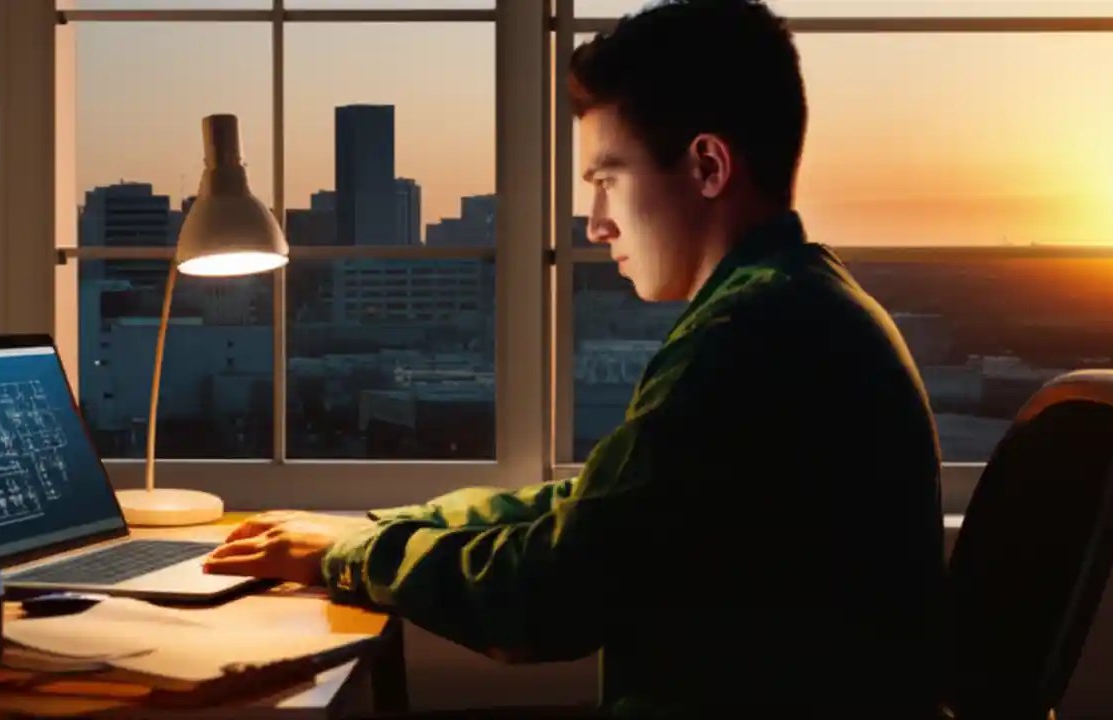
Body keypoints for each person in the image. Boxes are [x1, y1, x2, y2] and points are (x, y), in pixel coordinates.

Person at [203, 0, 946, 716]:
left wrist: (356, 555)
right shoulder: (793, 302)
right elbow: (597, 506)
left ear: (708, 167)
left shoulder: (751, 337)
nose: (595, 225)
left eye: (607, 181)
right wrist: (374, 528)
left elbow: (548, 595)